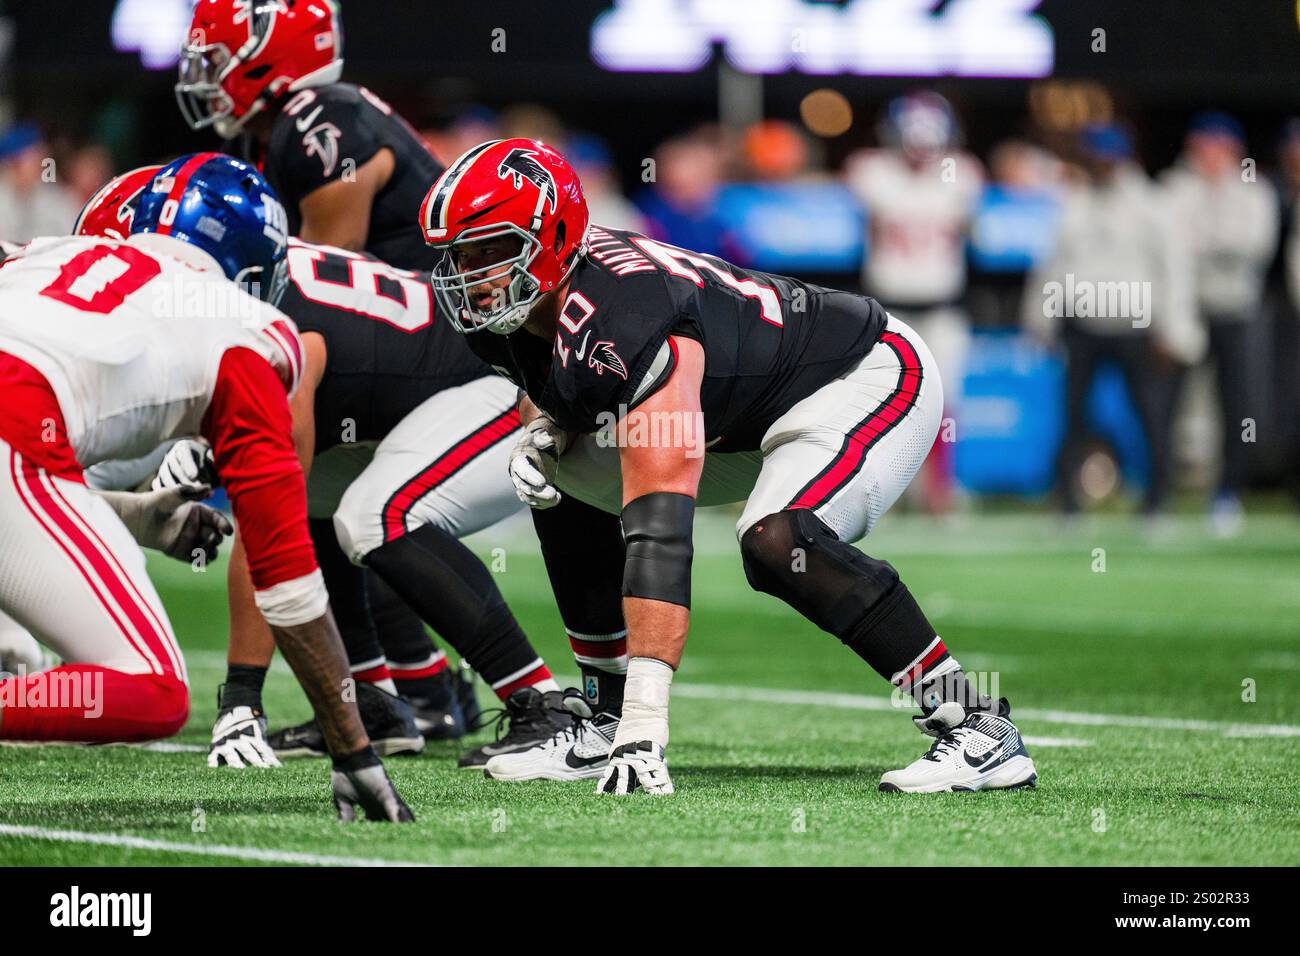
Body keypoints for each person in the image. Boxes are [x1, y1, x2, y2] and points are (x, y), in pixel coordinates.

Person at [418, 138, 1038, 794]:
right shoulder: (510, 309)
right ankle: (603, 714)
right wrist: (545, 431)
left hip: (860, 376)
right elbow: (554, 379)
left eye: (490, 249)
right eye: (460, 254)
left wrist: (647, 725)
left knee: (777, 538)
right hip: (743, 414)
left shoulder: (630, 313)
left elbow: (660, 523)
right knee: (560, 477)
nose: (471, 272)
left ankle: (977, 723)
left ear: (555, 236)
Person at [0, 152, 411, 820]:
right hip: (16, 420)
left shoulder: (44, 254)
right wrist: (352, 747)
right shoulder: (248, 330)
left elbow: (23, 516)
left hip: (22, 426)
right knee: (152, 688)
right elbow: (284, 572)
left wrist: (140, 519)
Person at [152, 238, 572, 769]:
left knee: (375, 516)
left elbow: (266, 518)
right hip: (425, 391)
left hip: (501, 382)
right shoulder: (262, 274)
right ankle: (371, 702)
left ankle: (541, 704)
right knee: (315, 501)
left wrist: (241, 698)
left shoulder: (275, 334)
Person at [1024, 124, 1202, 517]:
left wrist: (1174, 329)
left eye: (1108, 158)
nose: (1101, 165)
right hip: (1084, 325)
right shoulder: (1074, 202)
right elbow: (1052, 265)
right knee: (1073, 416)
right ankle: (1067, 503)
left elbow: (1173, 268)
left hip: (1134, 324)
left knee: (1151, 417)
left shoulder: (1151, 203)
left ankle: (1157, 502)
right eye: (1095, 157)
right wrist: (1041, 319)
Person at [1161, 111, 1279, 535]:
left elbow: (1253, 245)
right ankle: (1161, 495)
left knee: (1237, 407)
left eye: (1217, 147)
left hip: (1235, 310)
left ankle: (1227, 494)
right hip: (1188, 308)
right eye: (1202, 146)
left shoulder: (1253, 189)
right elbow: (1170, 249)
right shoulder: (1176, 189)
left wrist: (1205, 244)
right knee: (1168, 403)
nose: (1209, 156)